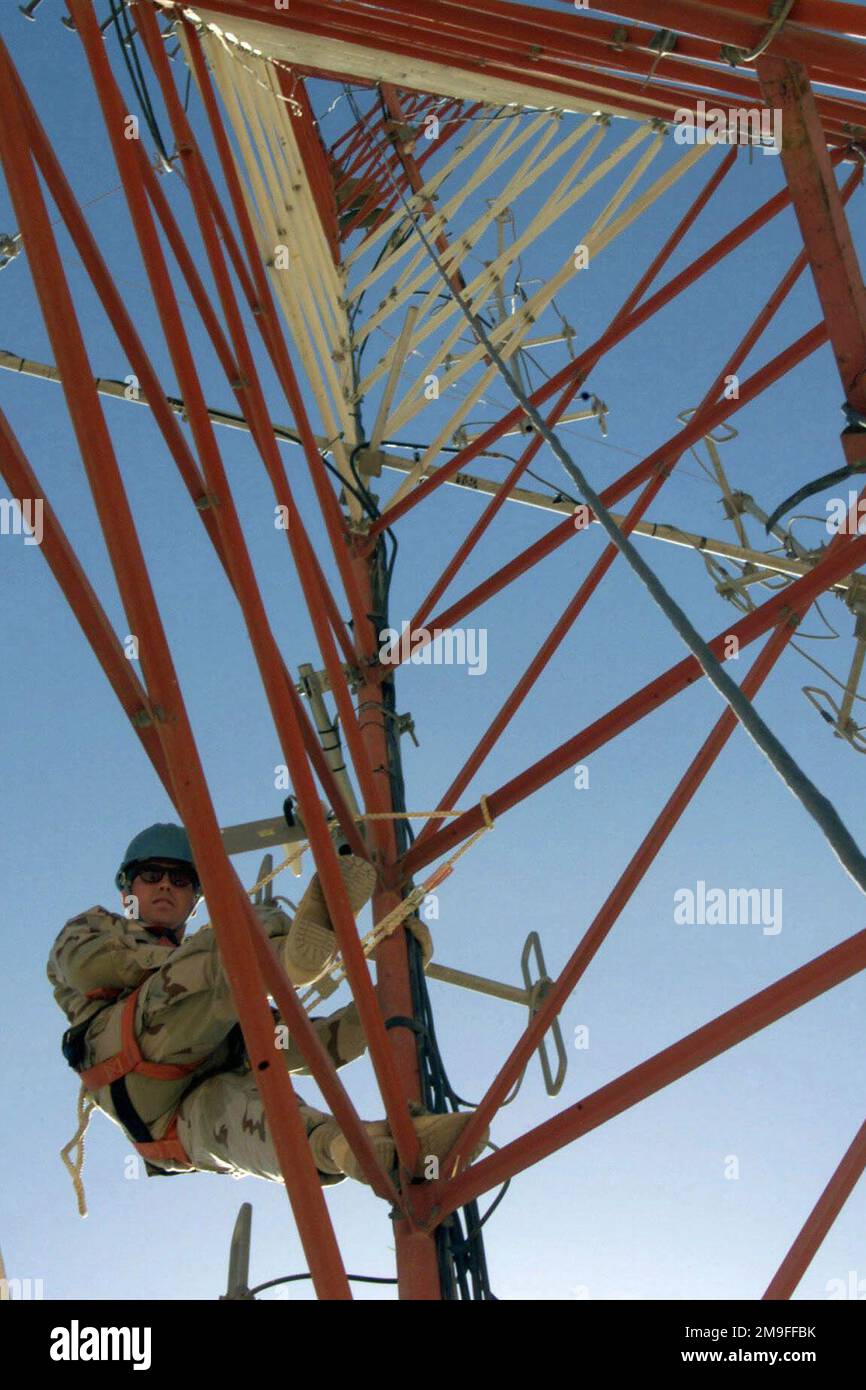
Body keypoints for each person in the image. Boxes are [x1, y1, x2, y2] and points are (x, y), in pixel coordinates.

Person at [47, 822, 485, 1191]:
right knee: (239, 935)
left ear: (194, 895)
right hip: (128, 1059)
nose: (166, 884)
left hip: (181, 1120)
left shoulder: (218, 984)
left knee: (266, 1109)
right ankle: (288, 961)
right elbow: (89, 967)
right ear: (129, 887)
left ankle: (359, 1147)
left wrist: (392, 989)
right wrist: (239, 961)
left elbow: (301, 1047)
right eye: (152, 875)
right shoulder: (97, 928)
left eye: (180, 879)